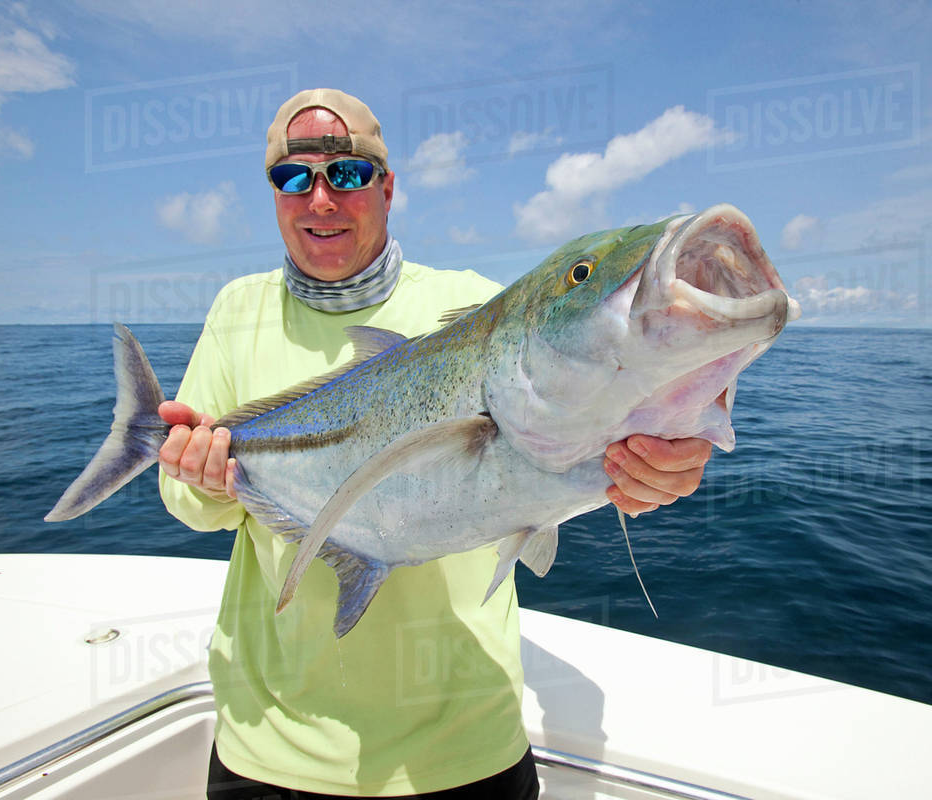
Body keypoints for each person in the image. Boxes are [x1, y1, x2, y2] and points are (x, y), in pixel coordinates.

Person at [157, 89, 712, 799]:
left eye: (348, 174)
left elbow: (591, 431)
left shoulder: (481, 305)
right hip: (270, 746)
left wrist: (663, 463)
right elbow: (193, 507)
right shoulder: (238, 310)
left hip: (467, 746)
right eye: (295, 178)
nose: (321, 198)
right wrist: (198, 477)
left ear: (387, 189)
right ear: (274, 195)